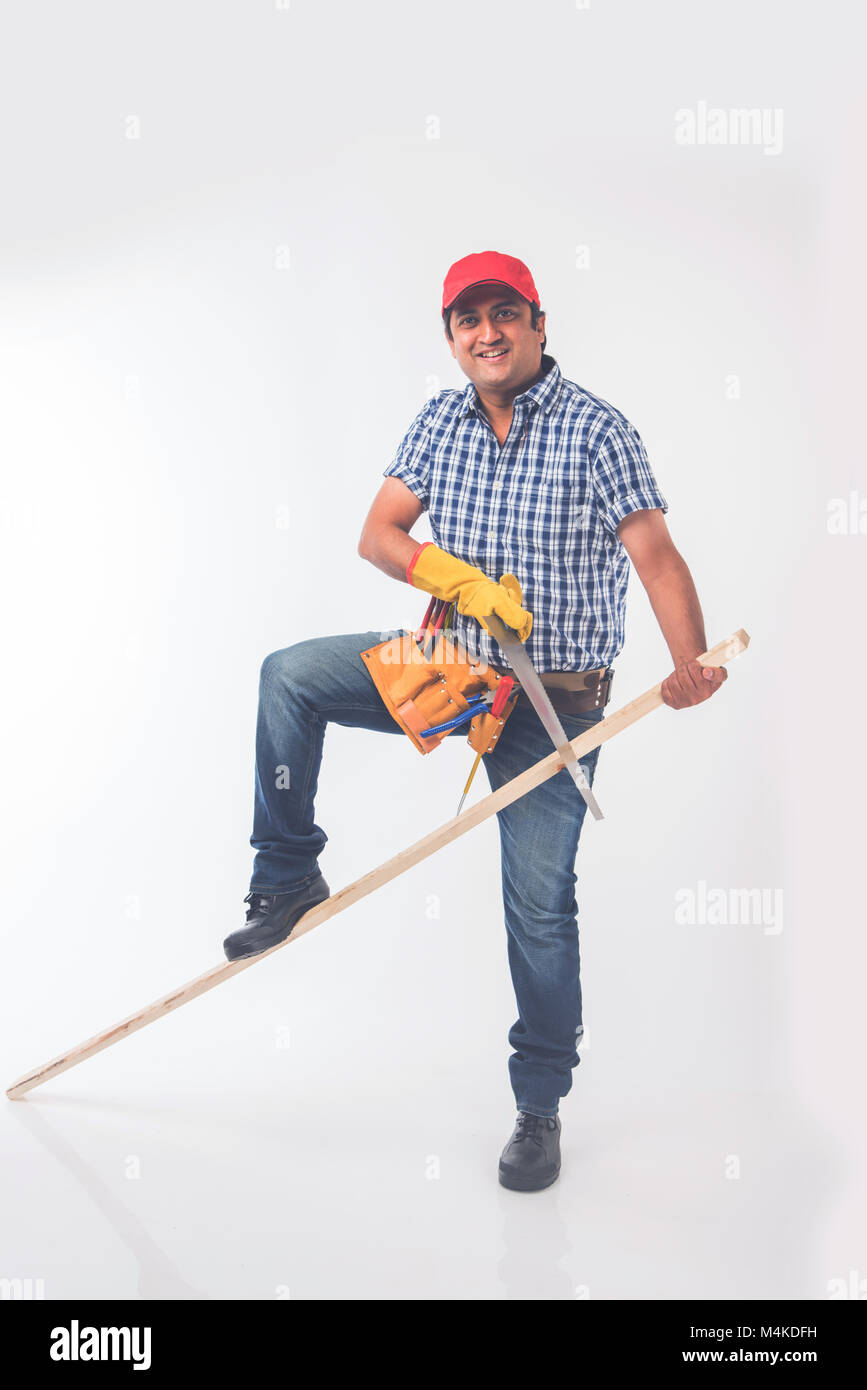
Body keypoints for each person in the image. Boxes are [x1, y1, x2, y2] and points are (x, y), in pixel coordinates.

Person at [222, 250, 727, 1192]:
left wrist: (687, 664)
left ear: (538, 323)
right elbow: (378, 534)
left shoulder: (595, 430)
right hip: (452, 666)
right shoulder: (439, 420)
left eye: (504, 313)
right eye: (468, 320)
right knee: (287, 678)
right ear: (451, 337)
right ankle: (286, 875)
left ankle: (538, 1106)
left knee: (538, 906)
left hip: (550, 699)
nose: (486, 333)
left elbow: (656, 559)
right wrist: (452, 579)